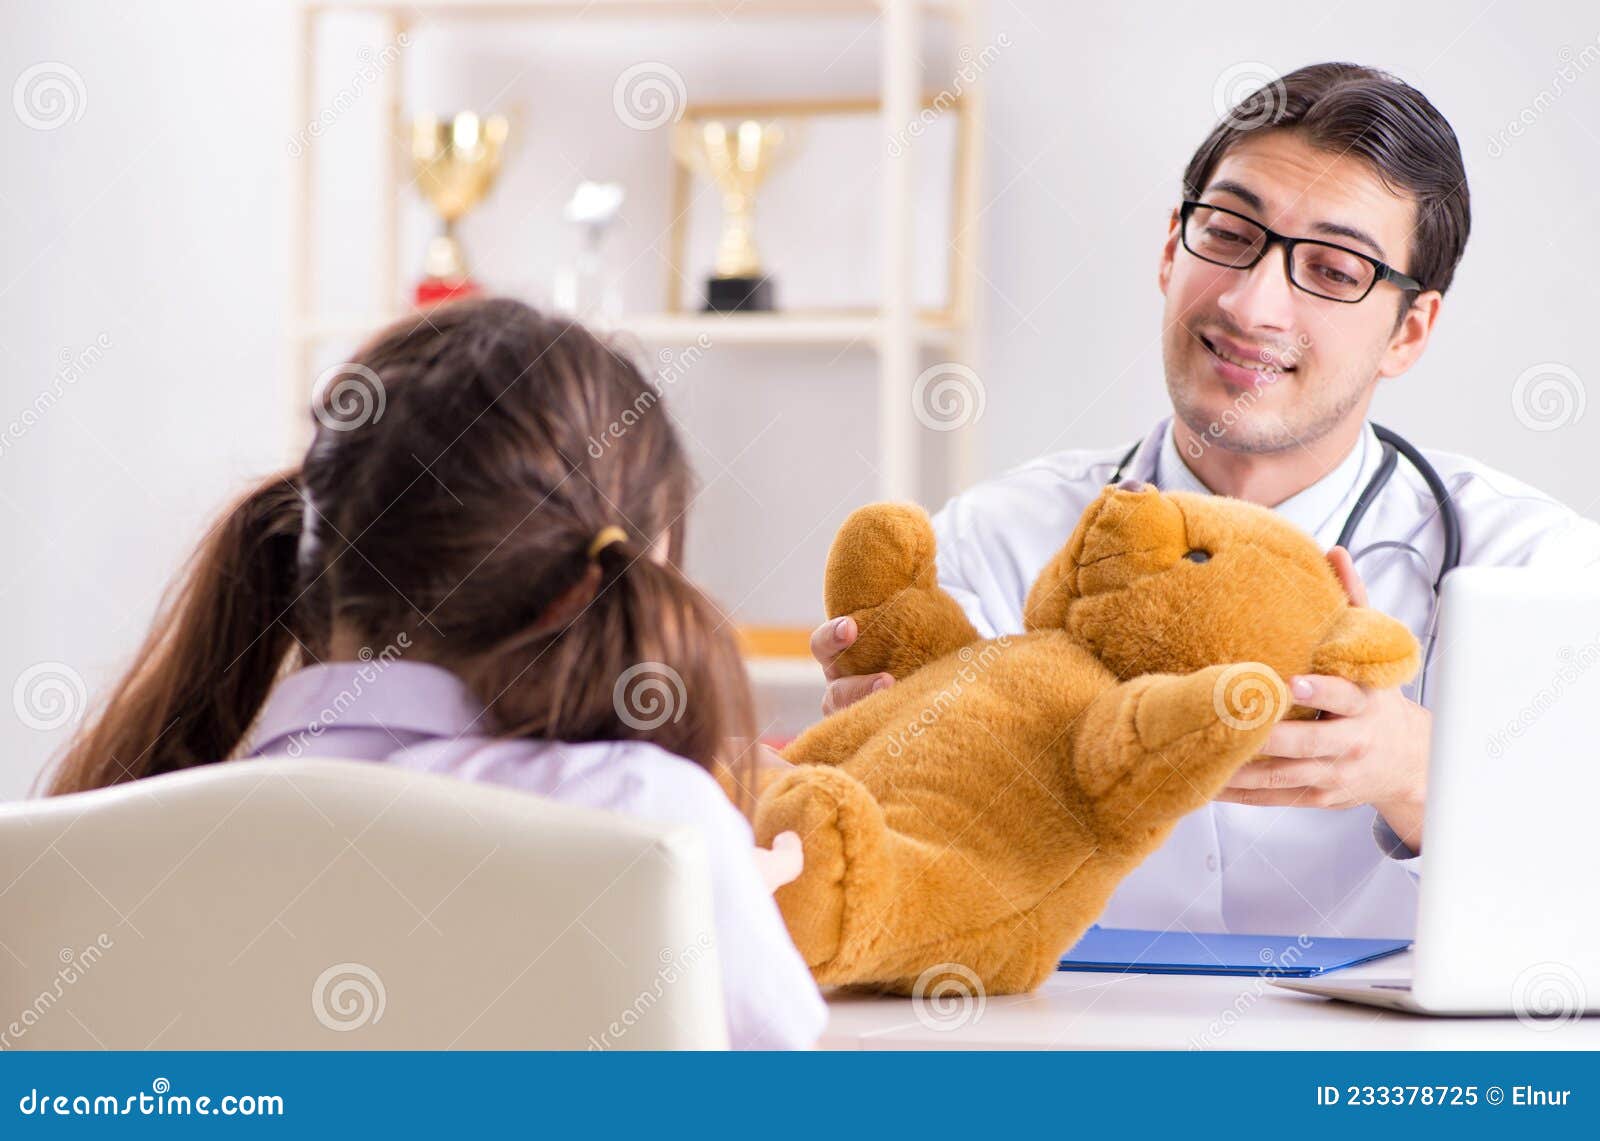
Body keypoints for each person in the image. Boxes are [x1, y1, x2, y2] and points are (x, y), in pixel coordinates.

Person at [812, 62, 1600, 940]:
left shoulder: (1535, 568)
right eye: (1227, 233)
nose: (1250, 301)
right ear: (1169, 250)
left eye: (1334, 270)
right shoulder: (996, 541)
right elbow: (919, 866)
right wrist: (888, 749)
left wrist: (1424, 777)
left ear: (1408, 332)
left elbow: (1578, 908)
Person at [46, 298, 825, 1049]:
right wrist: (715, 910)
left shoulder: (100, 856)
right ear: (590, 588)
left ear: (309, 570)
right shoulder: (647, 813)